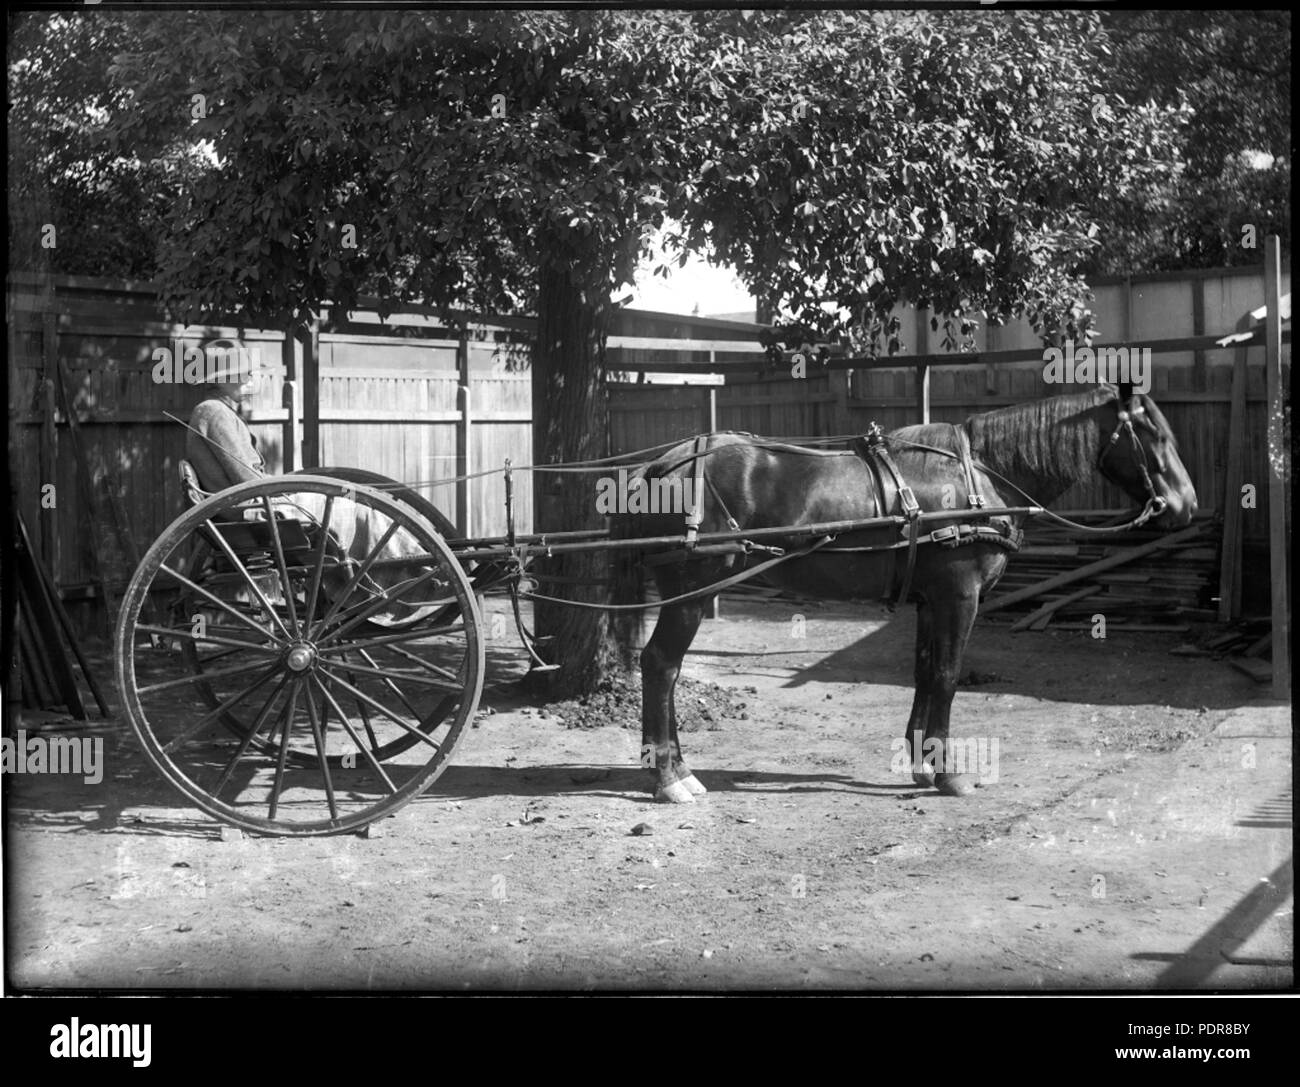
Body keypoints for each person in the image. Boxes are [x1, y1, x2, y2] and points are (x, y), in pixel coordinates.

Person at [186, 339, 264, 492]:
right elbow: (246, 477)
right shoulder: (214, 412)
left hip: (249, 498)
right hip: (243, 505)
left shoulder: (221, 411)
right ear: (221, 379)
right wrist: (289, 485)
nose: (250, 381)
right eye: (244, 374)